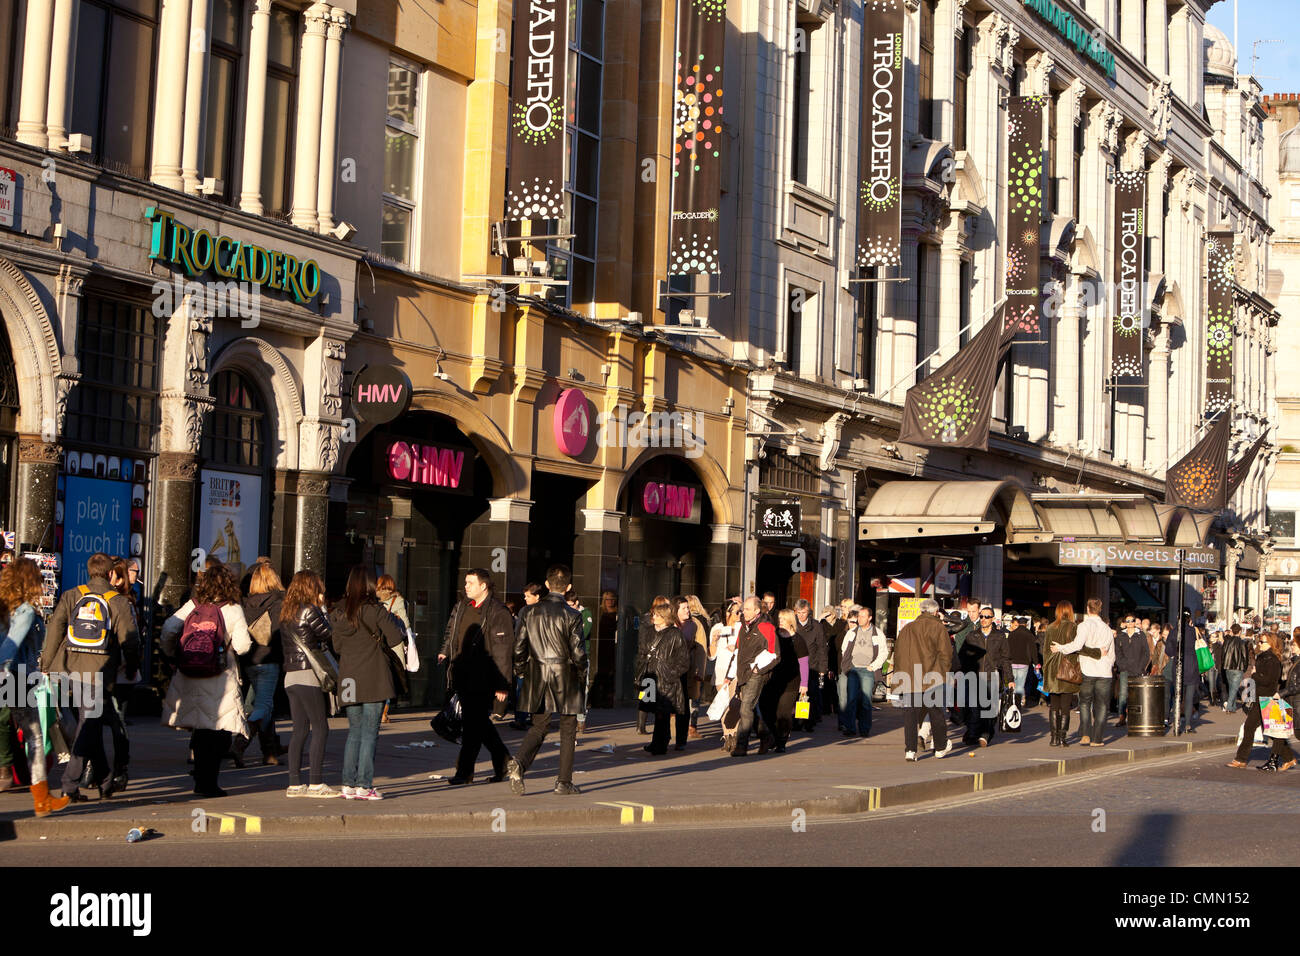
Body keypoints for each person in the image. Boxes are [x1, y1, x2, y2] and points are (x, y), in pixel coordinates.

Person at [39, 552, 139, 802]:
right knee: (88, 727)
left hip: (68, 670)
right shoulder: (117, 601)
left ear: (89, 571)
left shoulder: (72, 595)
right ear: (110, 573)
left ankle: (105, 782)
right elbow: (130, 640)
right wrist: (131, 667)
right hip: (99, 672)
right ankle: (69, 786)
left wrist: (46, 664)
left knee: (89, 725)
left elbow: (55, 631)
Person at [159, 561, 249, 798]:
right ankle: (209, 783)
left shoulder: (193, 605)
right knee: (218, 733)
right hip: (219, 677)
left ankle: (200, 779)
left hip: (190, 674)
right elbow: (243, 646)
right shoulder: (232, 609)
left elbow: (169, 628)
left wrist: (173, 654)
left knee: (199, 730)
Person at [506, 564, 588, 795]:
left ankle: (520, 762)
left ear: (548, 584)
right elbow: (578, 652)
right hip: (566, 673)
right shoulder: (573, 615)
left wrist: (521, 671)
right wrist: (581, 674)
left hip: (538, 672)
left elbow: (519, 647)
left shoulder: (529, 612)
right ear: (568, 587)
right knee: (568, 728)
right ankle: (563, 782)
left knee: (539, 725)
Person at [0, 559, 70, 816]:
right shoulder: (25, 611)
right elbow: (12, 643)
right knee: (35, 737)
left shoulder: (3, 606)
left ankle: (42, 798)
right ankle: (41, 799)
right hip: (17, 679)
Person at [330, 566, 406, 799]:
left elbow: (337, 647)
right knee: (370, 733)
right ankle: (364, 785)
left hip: (349, 677)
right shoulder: (376, 610)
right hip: (374, 676)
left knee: (354, 731)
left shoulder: (339, 612)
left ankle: (348, 784)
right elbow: (395, 637)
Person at [438, 568, 515, 785]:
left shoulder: (497, 612)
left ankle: (464, 772)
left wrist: (502, 684)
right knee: (479, 723)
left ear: (484, 586)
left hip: (483, 678)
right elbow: (451, 631)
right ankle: (503, 761)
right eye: (465, 582)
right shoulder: (462, 606)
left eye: (470, 583)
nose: (466, 586)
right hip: (462, 673)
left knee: (473, 726)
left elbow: (503, 651)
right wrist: (445, 650)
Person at [279, 571, 339, 797]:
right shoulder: (309, 609)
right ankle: (315, 783)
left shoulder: (287, 612)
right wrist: (323, 609)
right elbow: (328, 634)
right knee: (320, 727)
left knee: (299, 730)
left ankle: (294, 783)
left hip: (291, 675)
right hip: (308, 674)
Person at [233, 561, 286, 766]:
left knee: (265, 706)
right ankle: (240, 742)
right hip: (269, 660)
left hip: (249, 660)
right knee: (263, 706)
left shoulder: (245, 603)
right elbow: (278, 634)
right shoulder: (278, 602)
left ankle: (269, 752)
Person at [1226, 630, 1297, 771]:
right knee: (1263, 730)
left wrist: (1254, 675)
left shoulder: (1272, 660)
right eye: (1259, 641)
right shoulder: (1263, 657)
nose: (1259, 644)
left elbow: (1269, 680)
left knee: (1260, 729)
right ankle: (1289, 758)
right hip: (1260, 698)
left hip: (1267, 699)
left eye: (1262, 642)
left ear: (1270, 643)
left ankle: (1241, 759)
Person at [890, 598, 952, 761]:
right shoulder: (938, 627)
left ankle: (910, 750)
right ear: (936, 612)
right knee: (936, 713)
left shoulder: (907, 628)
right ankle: (940, 747)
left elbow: (899, 655)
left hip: (910, 677)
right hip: (933, 677)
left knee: (910, 715)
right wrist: (943, 673)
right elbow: (946, 654)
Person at [1051, 598, 1113, 746]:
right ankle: (1097, 739)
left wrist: (1061, 648)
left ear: (1087, 609)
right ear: (1099, 609)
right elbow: (1112, 653)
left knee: (1085, 703)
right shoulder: (1107, 629)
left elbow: (1077, 645)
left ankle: (1085, 734)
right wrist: (1109, 664)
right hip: (1104, 671)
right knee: (1102, 705)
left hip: (1087, 669)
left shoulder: (1084, 626)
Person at [635, 596, 689, 756]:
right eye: (654, 615)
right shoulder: (649, 632)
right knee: (653, 709)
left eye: (657, 615)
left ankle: (661, 744)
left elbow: (684, 661)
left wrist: (671, 673)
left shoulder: (675, 635)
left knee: (663, 711)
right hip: (650, 677)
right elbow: (642, 652)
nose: (653, 617)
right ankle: (657, 741)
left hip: (666, 679)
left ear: (665, 617)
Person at [730, 597, 778, 757]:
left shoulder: (766, 627)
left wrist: (759, 669)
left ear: (757, 611)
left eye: (748, 609)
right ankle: (767, 737)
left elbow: (776, 654)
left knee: (745, 708)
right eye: (744, 609)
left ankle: (741, 746)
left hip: (756, 674)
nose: (744, 612)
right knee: (750, 709)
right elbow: (738, 650)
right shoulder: (743, 626)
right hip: (742, 672)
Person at [1041, 601, 1092, 747]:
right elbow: (1078, 648)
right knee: (1065, 706)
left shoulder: (1050, 627)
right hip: (1068, 670)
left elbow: (1045, 650)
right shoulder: (1074, 627)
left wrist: (1046, 668)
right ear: (1070, 611)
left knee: (1054, 705)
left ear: (1057, 611)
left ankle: (1053, 737)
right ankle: (1063, 737)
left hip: (1052, 669)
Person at [957, 606, 1009, 747]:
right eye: (982, 616)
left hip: (991, 676)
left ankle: (986, 734)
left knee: (989, 709)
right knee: (973, 708)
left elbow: (1005, 659)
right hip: (973, 677)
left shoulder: (999, 636)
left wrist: (1009, 680)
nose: (984, 619)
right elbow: (962, 657)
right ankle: (973, 733)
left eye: (987, 617)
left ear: (993, 619)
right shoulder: (972, 636)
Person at [758, 608, 808, 753]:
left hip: (791, 682)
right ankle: (773, 736)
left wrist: (804, 683)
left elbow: (804, 663)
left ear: (791, 621)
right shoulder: (774, 636)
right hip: (772, 680)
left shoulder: (798, 640)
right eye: (779, 619)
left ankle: (781, 742)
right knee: (767, 709)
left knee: (783, 714)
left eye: (783, 619)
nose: (780, 621)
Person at [838, 606, 886, 738]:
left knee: (866, 701)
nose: (860, 619)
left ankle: (864, 729)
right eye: (859, 616)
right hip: (853, 669)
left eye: (863, 616)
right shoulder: (852, 632)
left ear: (870, 618)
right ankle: (850, 727)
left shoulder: (877, 633)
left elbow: (883, 653)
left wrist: (874, 666)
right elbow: (844, 649)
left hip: (867, 670)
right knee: (851, 699)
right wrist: (848, 665)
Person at [510, 583, 544, 730]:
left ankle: (521, 718)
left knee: (522, 689)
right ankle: (535, 718)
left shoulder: (525, 611)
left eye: (528, 596)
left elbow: (519, 636)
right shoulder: (548, 610)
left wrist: (518, 658)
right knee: (538, 690)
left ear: (537, 596)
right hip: (543, 656)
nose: (525, 598)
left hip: (528, 655)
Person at [792, 599, 827, 730]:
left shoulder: (816, 626)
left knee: (809, 695)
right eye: (799, 612)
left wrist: (822, 668)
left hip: (811, 665)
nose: (801, 615)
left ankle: (808, 722)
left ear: (809, 612)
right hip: (795, 666)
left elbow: (822, 648)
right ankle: (797, 721)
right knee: (796, 695)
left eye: (804, 612)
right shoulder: (793, 624)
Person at [1164, 613, 1201, 734]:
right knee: (1189, 698)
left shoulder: (1174, 632)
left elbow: (1168, 651)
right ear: (1189, 618)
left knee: (1177, 697)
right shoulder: (1193, 631)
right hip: (1192, 666)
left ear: (1178, 618)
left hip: (1178, 666)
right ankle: (1188, 724)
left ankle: (1176, 721)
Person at [672, 596, 701, 747]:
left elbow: (690, 647)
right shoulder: (670, 625)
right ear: (675, 610)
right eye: (683, 608)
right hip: (669, 672)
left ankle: (681, 740)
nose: (687, 611)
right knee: (667, 706)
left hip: (684, 670)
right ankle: (662, 739)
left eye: (688, 607)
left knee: (683, 706)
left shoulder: (692, 626)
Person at [1113, 614, 1150, 727]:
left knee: (1136, 694)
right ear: (1125, 623)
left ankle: (1136, 717)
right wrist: (1122, 665)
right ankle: (1122, 717)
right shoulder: (1120, 636)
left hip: (1137, 670)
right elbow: (1117, 653)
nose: (1129, 623)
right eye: (1127, 621)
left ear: (1134, 622)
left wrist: (1141, 667)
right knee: (1123, 694)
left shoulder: (1141, 635)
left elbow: (1146, 653)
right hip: (1125, 670)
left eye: (1132, 621)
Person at [1005, 612, 1037, 705]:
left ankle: (1011, 700)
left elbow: (1007, 648)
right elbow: (1033, 650)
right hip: (1024, 662)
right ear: (1026, 624)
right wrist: (1035, 661)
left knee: (1012, 681)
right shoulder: (1029, 635)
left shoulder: (1012, 634)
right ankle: (1018, 703)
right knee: (1020, 684)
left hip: (1012, 661)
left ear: (1018, 624)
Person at [1221, 624, 1249, 713]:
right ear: (1240, 631)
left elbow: (1223, 655)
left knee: (1232, 687)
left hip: (1228, 666)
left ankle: (1232, 707)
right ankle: (1229, 707)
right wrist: (1245, 667)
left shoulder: (1227, 642)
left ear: (1232, 631)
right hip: (1238, 667)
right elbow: (1245, 656)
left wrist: (1223, 665)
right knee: (1234, 688)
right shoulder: (1242, 643)